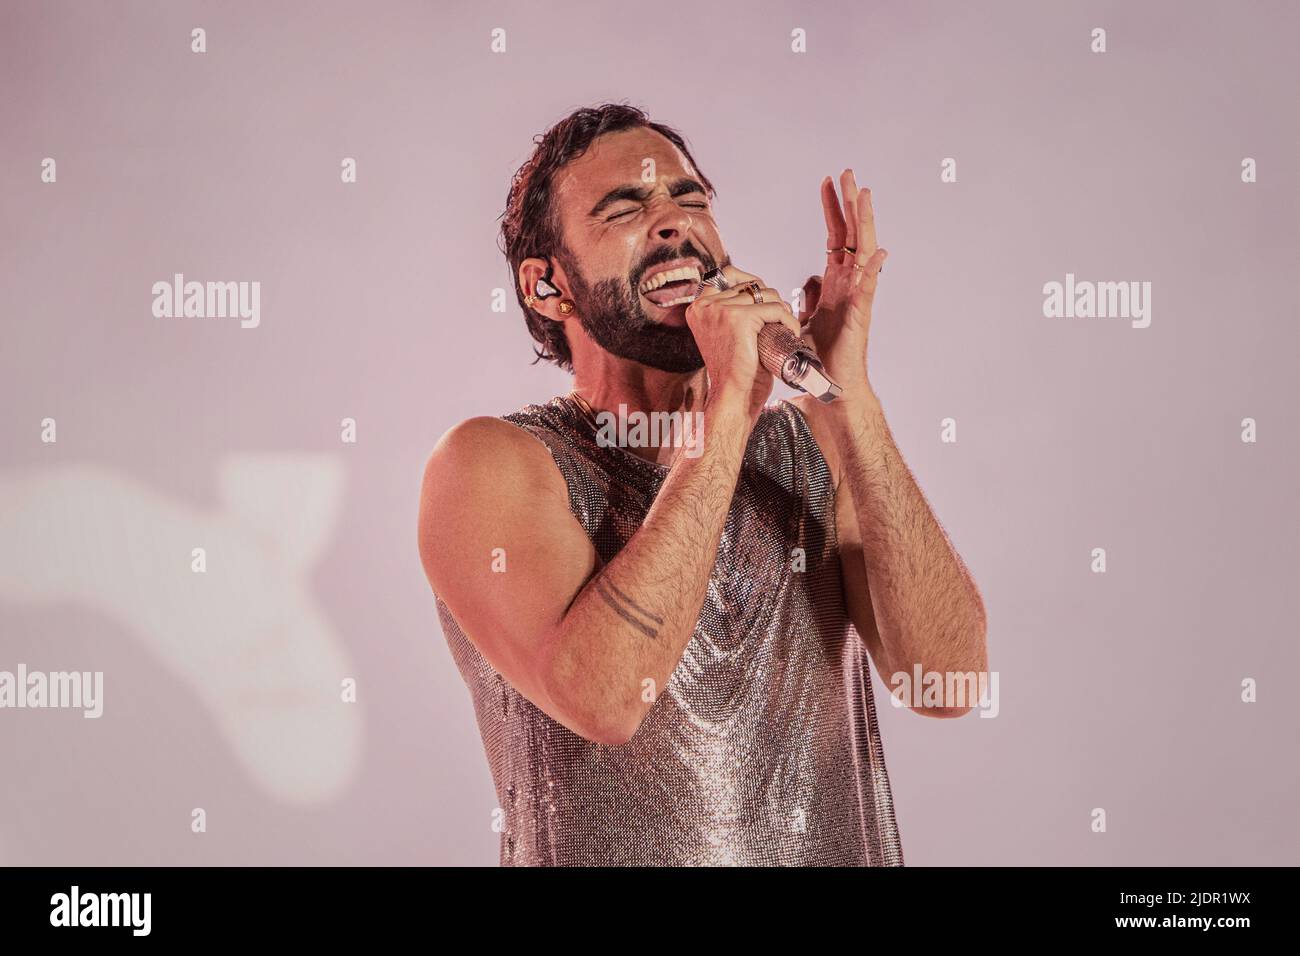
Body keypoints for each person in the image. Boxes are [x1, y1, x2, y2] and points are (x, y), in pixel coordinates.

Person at [418, 103, 987, 866]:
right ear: (547, 287)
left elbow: (948, 683)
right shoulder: (491, 463)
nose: (671, 223)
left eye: (690, 200)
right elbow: (608, 699)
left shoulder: (809, 443)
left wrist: (848, 396)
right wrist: (727, 408)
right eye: (624, 208)